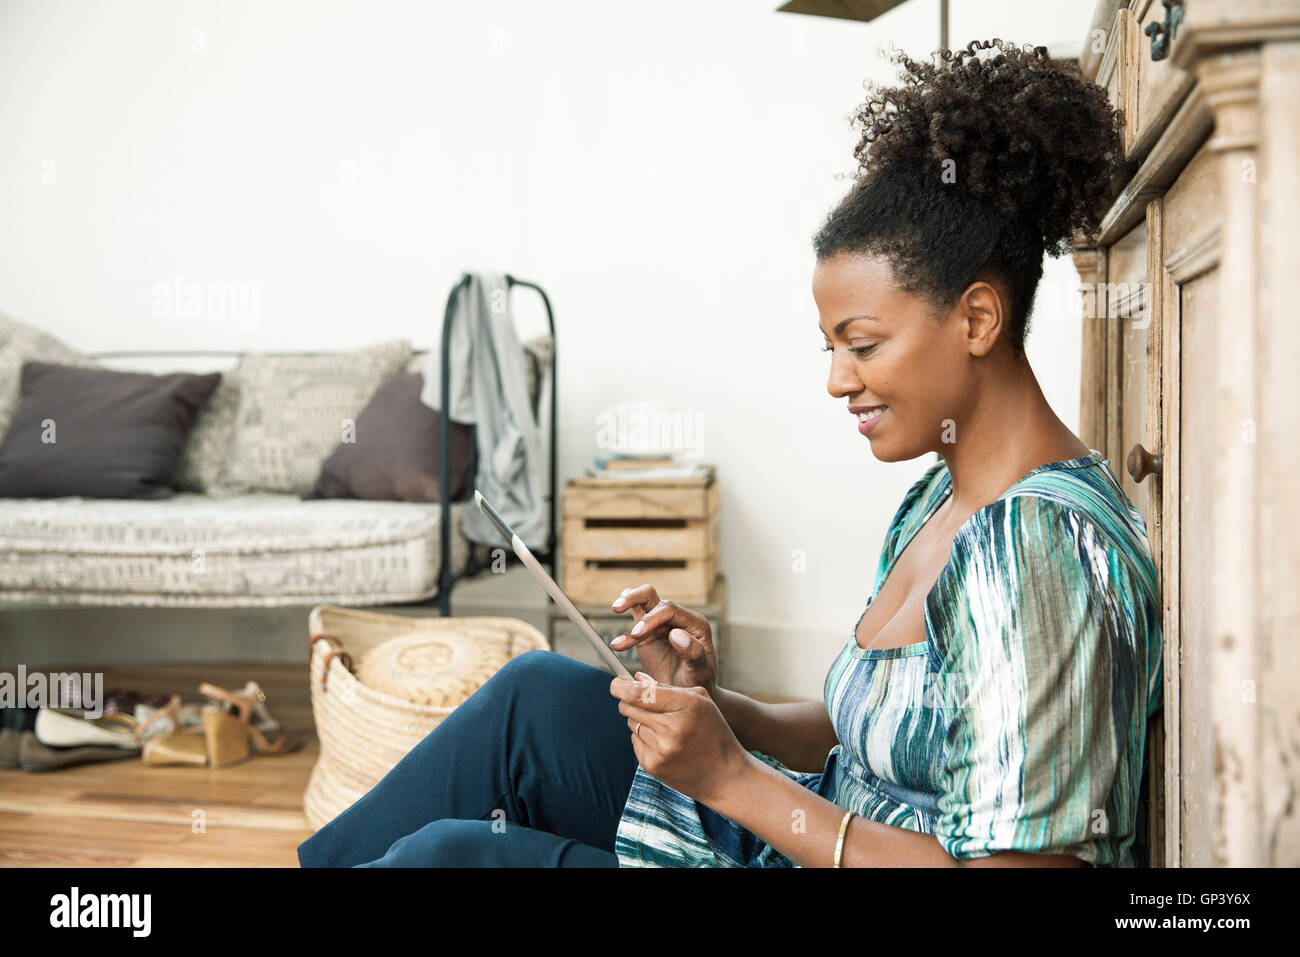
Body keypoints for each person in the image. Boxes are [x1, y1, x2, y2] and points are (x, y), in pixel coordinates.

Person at [297, 38, 1162, 868]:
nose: (836, 380)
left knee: (452, 857)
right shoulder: (939, 499)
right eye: (828, 346)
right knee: (535, 697)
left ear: (977, 319)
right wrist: (715, 707)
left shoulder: (1037, 553)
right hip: (809, 829)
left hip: (806, 842)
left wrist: (733, 779)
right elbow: (881, 732)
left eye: (861, 344)